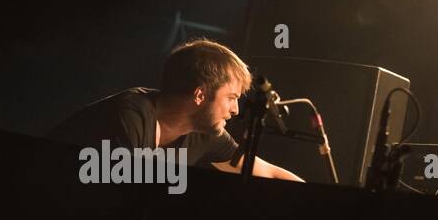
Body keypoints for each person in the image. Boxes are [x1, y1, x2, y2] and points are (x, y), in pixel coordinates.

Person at [48, 38, 304, 181]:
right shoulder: (130, 114)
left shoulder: (207, 132)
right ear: (200, 94)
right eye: (231, 98)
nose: (236, 110)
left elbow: (265, 172)